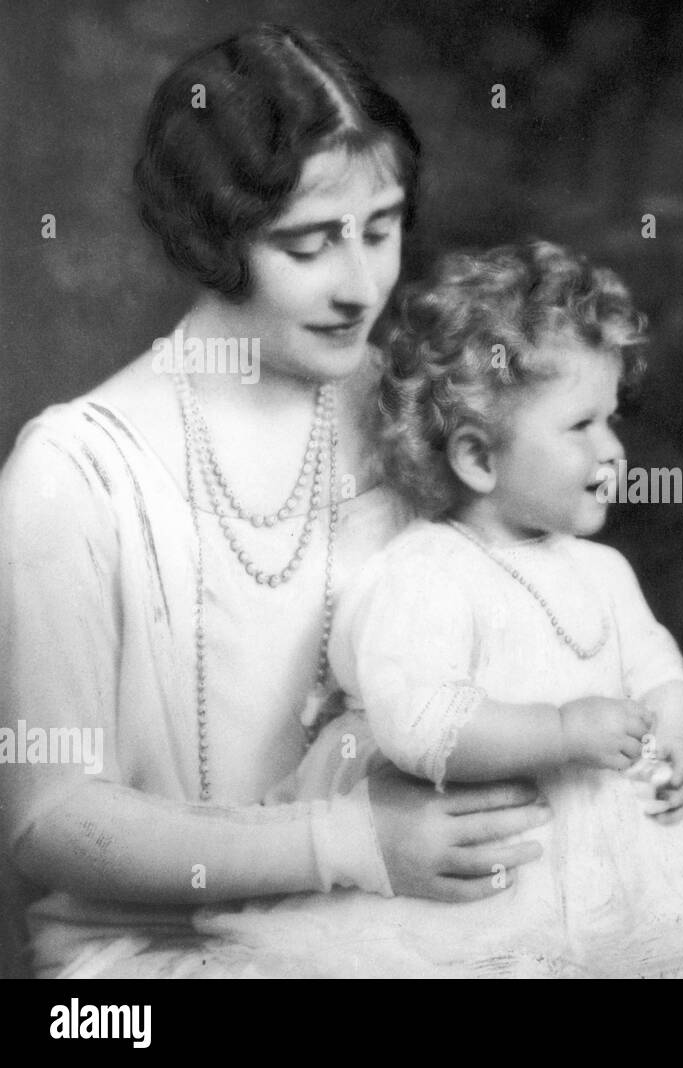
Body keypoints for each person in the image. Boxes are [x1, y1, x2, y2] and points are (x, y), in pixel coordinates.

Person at [0, 24, 551, 980]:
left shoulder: (421, 411)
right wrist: (347, 842)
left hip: (393, 931)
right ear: (214, 240)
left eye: (381, 230)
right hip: (143, 966)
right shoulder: (74, 471)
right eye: (307, 245)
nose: (361, 284)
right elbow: (48, 820)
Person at [191, 241, 683, 978]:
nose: (613, 450)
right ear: (478, 457)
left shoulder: (602, 570)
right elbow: (421, 724)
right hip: (495, 864)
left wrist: (676, 731)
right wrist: (562, 731)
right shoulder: (428, 572)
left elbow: (659, 668)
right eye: (581, 426)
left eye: (612, 418)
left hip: (613, 853)